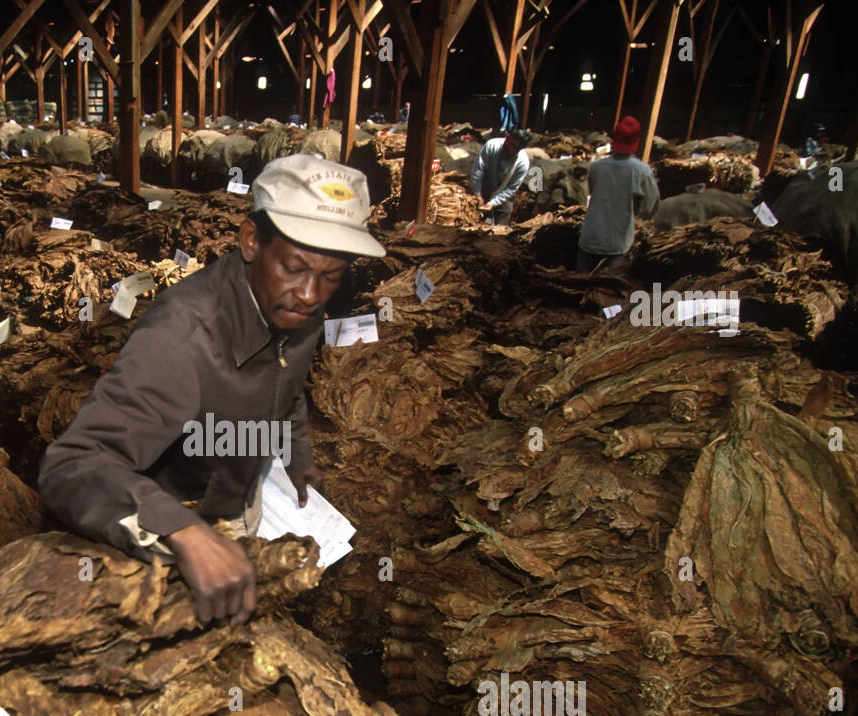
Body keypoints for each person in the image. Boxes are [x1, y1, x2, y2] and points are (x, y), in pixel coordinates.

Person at [39, 155, 386, 627]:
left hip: (242, 497)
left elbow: (288, 388)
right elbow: (73, 464)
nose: (310, 294)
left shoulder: (297, 311)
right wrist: (183, 531)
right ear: (250, 240)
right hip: (164, 531)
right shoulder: (181, 340)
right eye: (295, 267)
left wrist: (298, 457)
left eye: (331, 277)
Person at [576, 115, 659, 272]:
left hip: (590, 238)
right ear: (636, 141)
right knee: (609, 290)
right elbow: (650, 208)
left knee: (580, 286)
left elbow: (593, 192)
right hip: (617, 244)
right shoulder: (642, 171)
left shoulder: (596, 167)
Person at [469, 128, 529, 226]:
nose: (506, 145)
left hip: (503, 193)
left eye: (512, 145)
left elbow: (511, 188)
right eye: (507, 140)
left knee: (501, 225)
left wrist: (492, 203)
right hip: (484, 186)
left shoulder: (522, 163)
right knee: (478, 221)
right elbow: (478, 169)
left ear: (518, 149)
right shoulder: (492, 145)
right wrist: (477, 193)